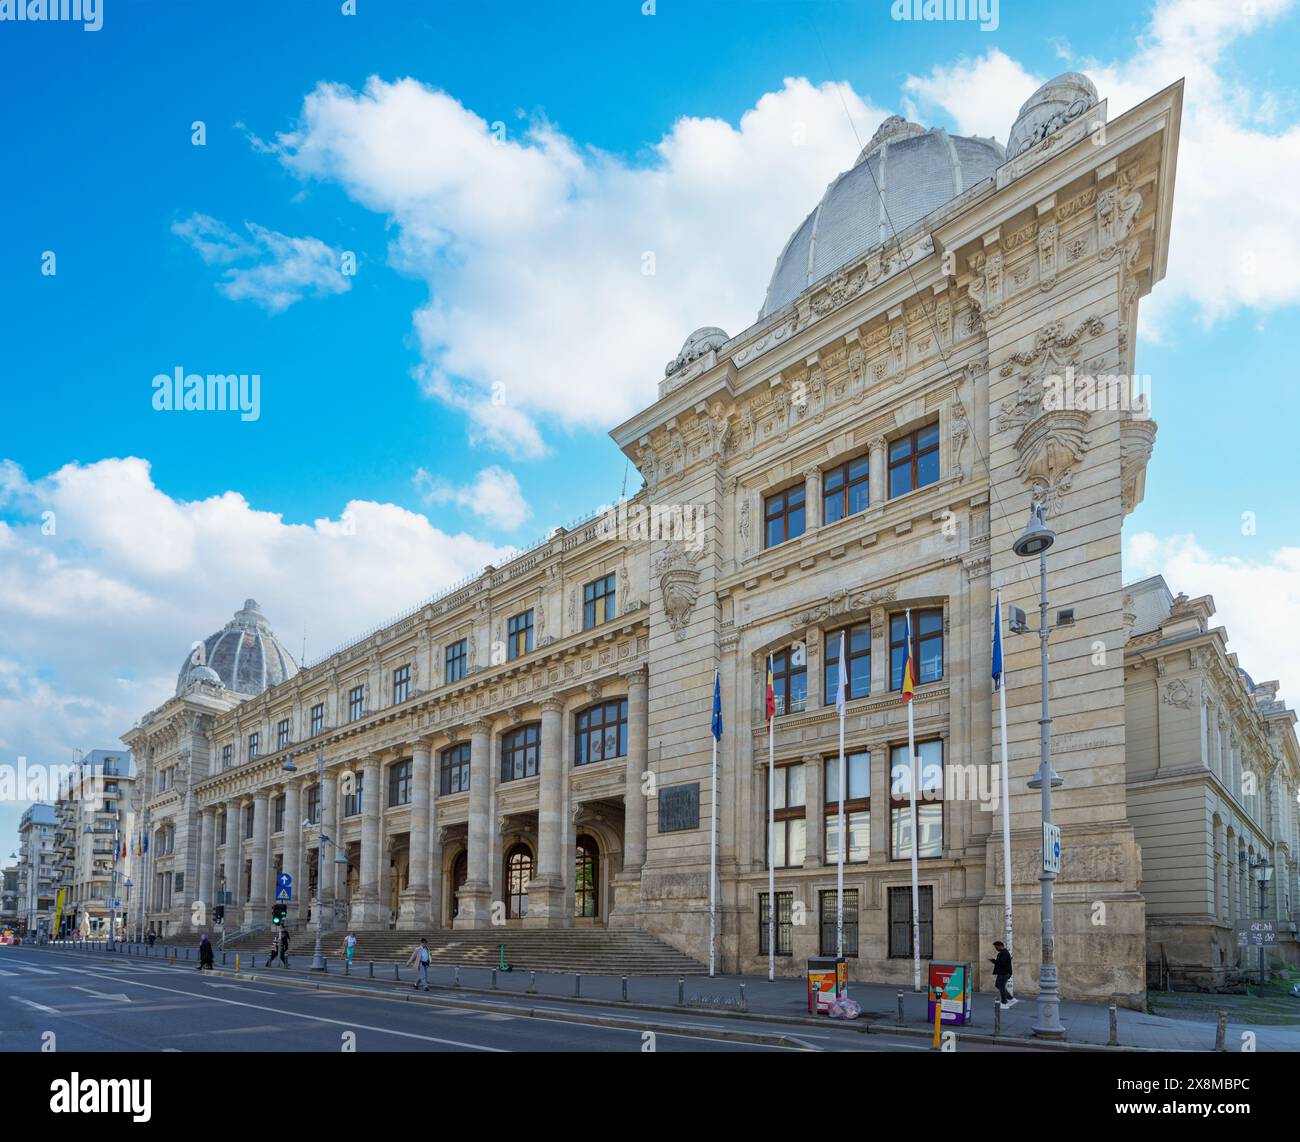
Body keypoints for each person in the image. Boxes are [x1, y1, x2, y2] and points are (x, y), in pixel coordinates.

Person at [989, 940, 1016, 1008]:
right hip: (1002, 973)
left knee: (1001, 987)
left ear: (1000, 946)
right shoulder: (1003, 953)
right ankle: (1010, 998)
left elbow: (1002, 963)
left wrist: (993, 961)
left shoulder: (1004, 953)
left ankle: (1004, 1003)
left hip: (1004, 973)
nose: (996, 949)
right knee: (998, 985)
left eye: (996, 947)